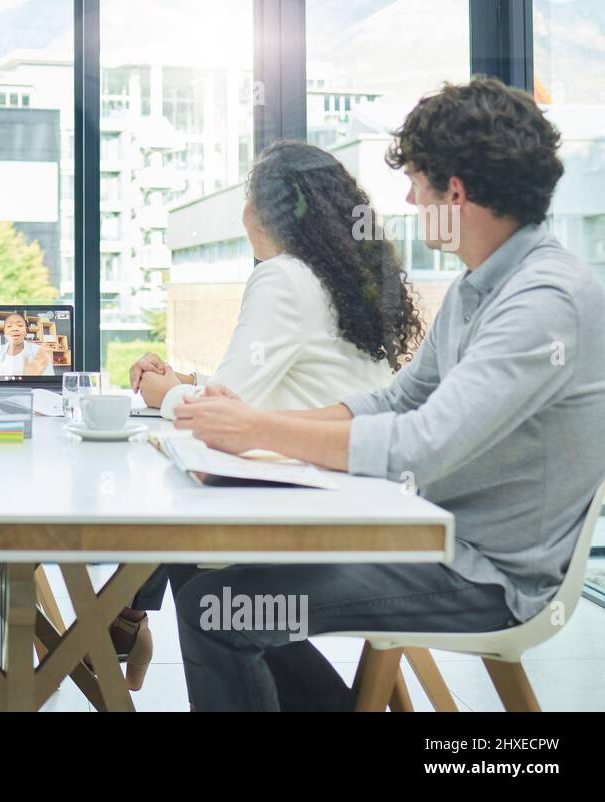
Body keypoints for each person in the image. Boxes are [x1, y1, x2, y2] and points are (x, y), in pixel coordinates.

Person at [169, 77, 605, 711]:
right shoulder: (478, 284)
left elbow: (419, 447)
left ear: (453, 192)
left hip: (485, 576)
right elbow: (397, 401)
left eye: (418, 182)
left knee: (219, 609)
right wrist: (252, 422)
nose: (406, 195)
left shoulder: (544, 301)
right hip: (429, 537)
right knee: (207, 585)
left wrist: (259, 432)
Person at [113, 140, 425, 691]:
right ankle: (124, 618)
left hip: (312, 501)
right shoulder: (350, 276)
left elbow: (218, 417)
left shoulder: (283, 275)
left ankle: (121, 619)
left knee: (188, 528)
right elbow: (284, 389)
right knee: (193, 547)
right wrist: (189, 381)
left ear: (259, 213)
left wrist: (163, 392)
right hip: (357, 489)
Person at [0, 312, 56, 376]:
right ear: (4, 332)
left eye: (19, 325)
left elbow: (48, 388)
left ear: (26, 331)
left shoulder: (39, 353)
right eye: (9, 326)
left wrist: (33, 380)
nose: (15, 329)